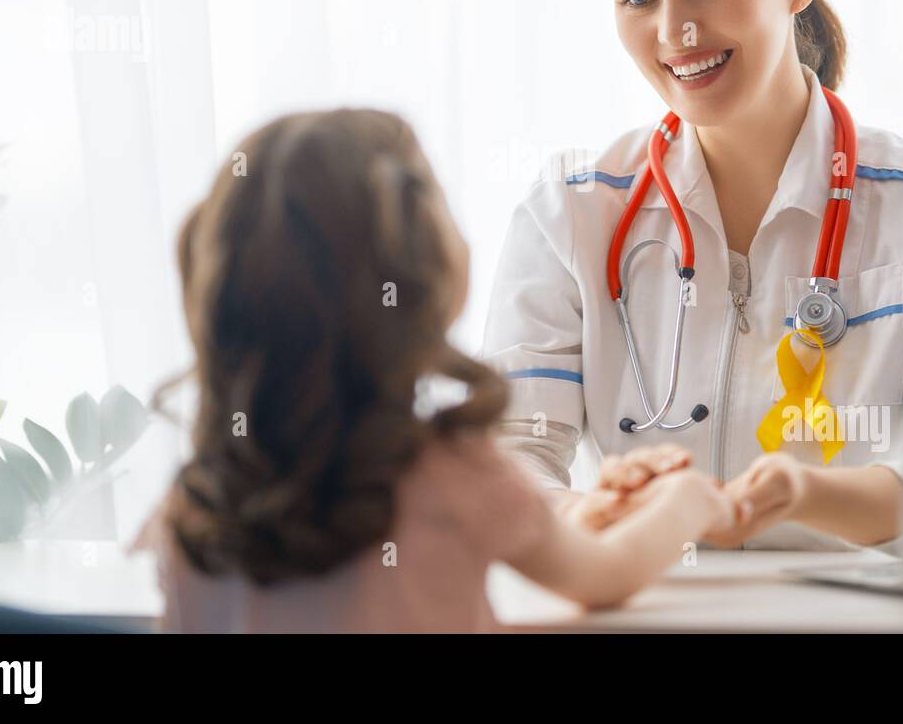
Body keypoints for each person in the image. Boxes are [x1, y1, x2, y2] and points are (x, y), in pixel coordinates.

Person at [481, 0, 903, 553]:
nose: (676, 29)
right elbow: (510, 468)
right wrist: (607, 512)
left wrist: (802, 494)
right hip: (649, 611)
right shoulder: (568, 208)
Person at [130, 109, 743, 632]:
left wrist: (578, 513)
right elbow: (601, 576)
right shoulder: (451, 473)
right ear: (420, 277)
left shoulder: (192, 510)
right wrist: (688, 502)